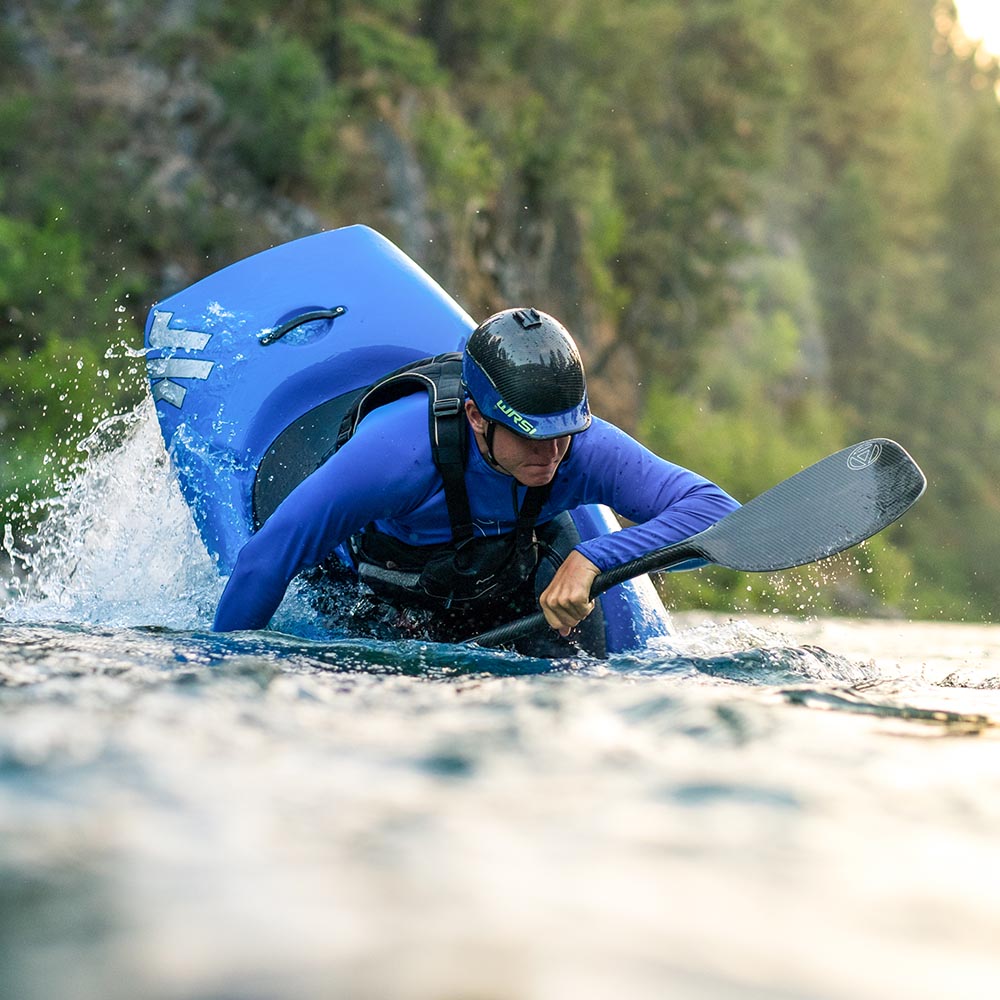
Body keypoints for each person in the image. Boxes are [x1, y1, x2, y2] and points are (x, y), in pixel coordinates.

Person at [212, 307, 739, 652]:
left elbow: (719, 514)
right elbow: (267, 557)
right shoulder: (397, 456)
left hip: (515, 580)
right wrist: (225, 678)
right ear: (476, 417)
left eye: (565, 434)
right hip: (387, 589)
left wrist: (599, 556)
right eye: (531, 436)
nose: (552, 454)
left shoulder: (582, 449)